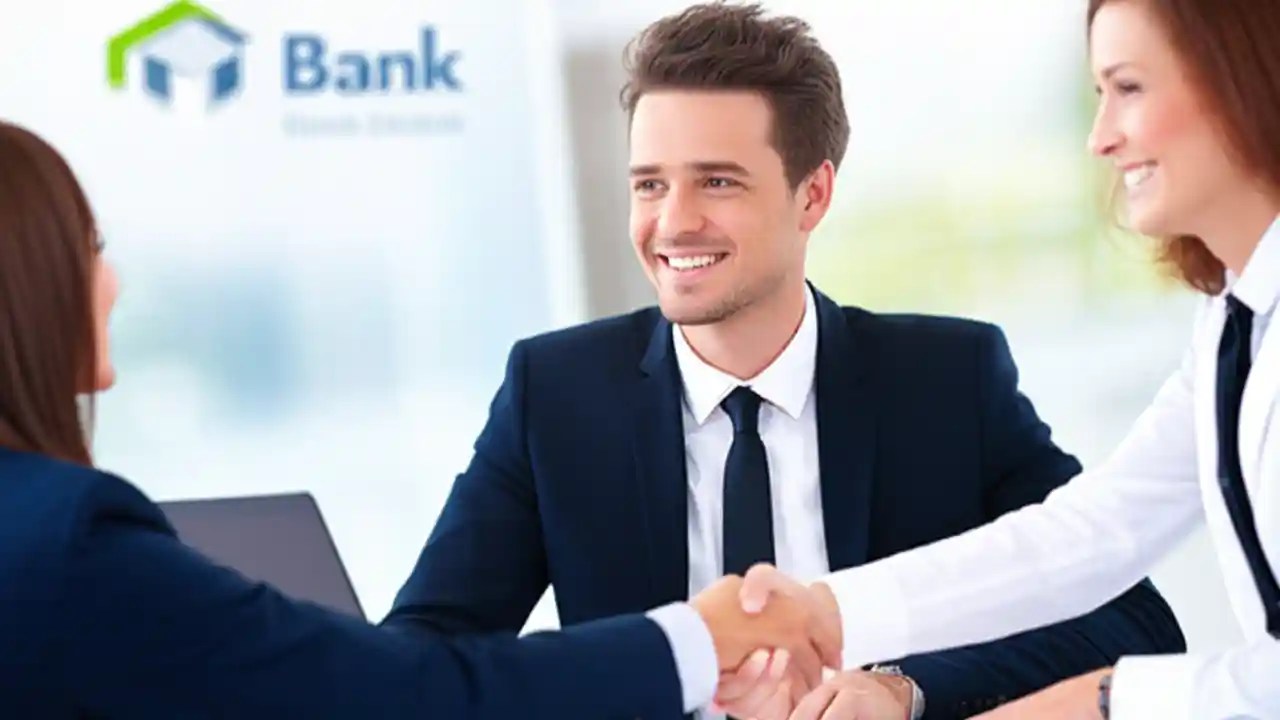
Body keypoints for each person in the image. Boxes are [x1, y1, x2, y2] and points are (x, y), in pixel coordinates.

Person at [381, 4, 1186, 719]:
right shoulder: (555, 395)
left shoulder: (947, 380)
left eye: (717, 182)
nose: (674, 222)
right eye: (650, 185)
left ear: (813, 195)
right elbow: (420, 657)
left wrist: (904, 691)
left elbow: (1132, 620)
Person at [0, 119, 841, 719]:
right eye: (92, 246)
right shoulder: (66, 540)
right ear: (30, 282)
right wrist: (695, 640)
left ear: (813, 195)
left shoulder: (931, 369)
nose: (113, 281)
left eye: (719, 181)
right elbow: (401, 690)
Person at [727, 0, 1280, 718]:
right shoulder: (1234, 322)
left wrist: (1101, 700)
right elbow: (1094, 531)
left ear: (1243, 79)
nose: (1101, 138)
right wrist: (826, 611)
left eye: (1129, 87)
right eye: (1099, 93)